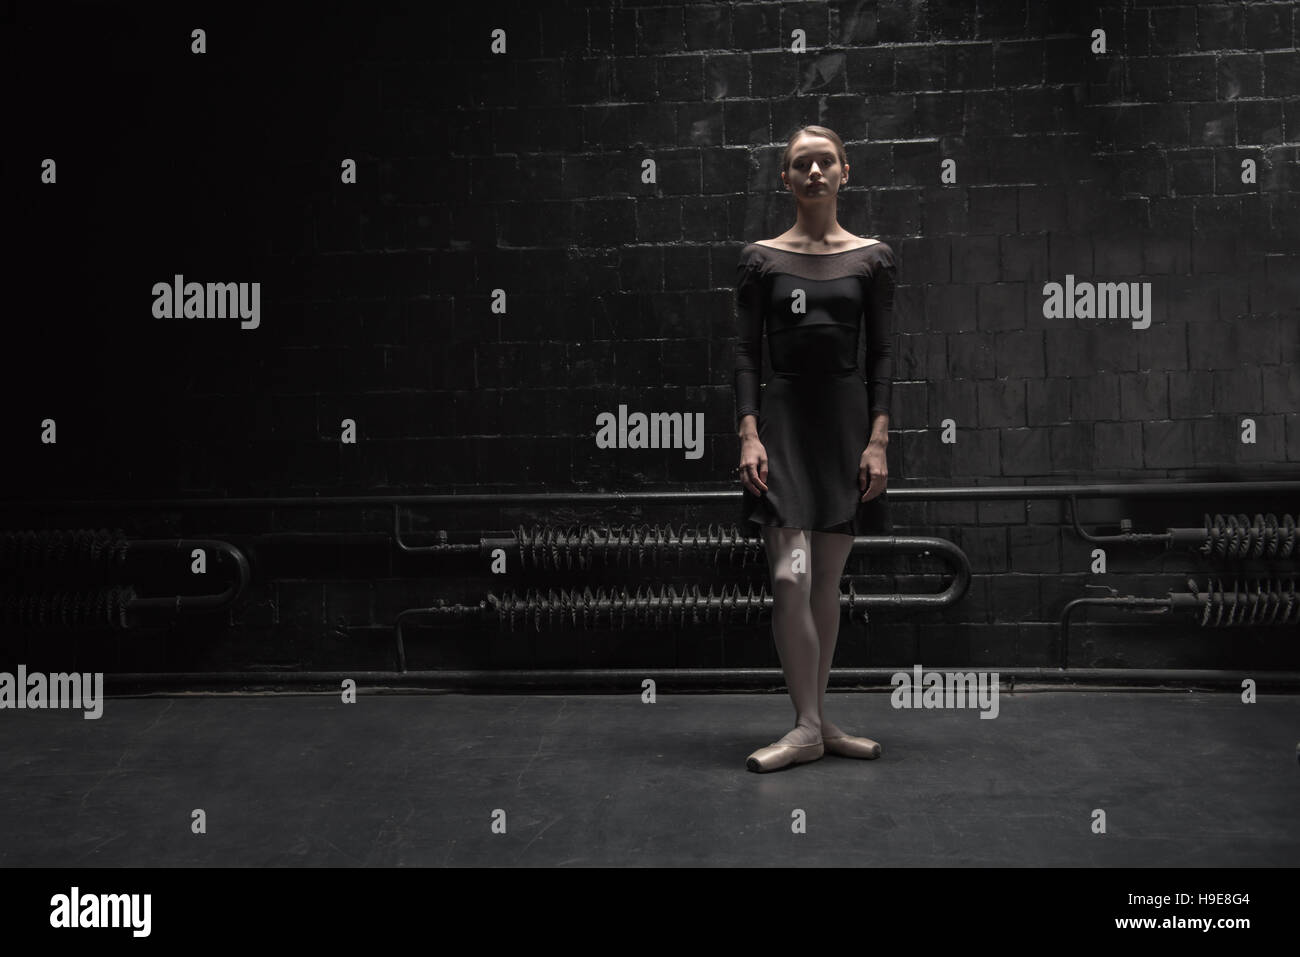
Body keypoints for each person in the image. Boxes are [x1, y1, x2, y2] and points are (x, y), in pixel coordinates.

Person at [733, 125, 897, 772]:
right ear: (786, 179)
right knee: (788, 574)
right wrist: (747, 431)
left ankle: (818, 719)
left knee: (825, 579)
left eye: (825, 161)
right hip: (784, 421)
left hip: (846, 421)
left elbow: (883, 355)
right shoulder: (760, 259)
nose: (814, 171)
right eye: (801, 164)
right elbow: (746, 354)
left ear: (845, 172)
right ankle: (806, 724)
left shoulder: (873, 258)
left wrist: (878, 440)